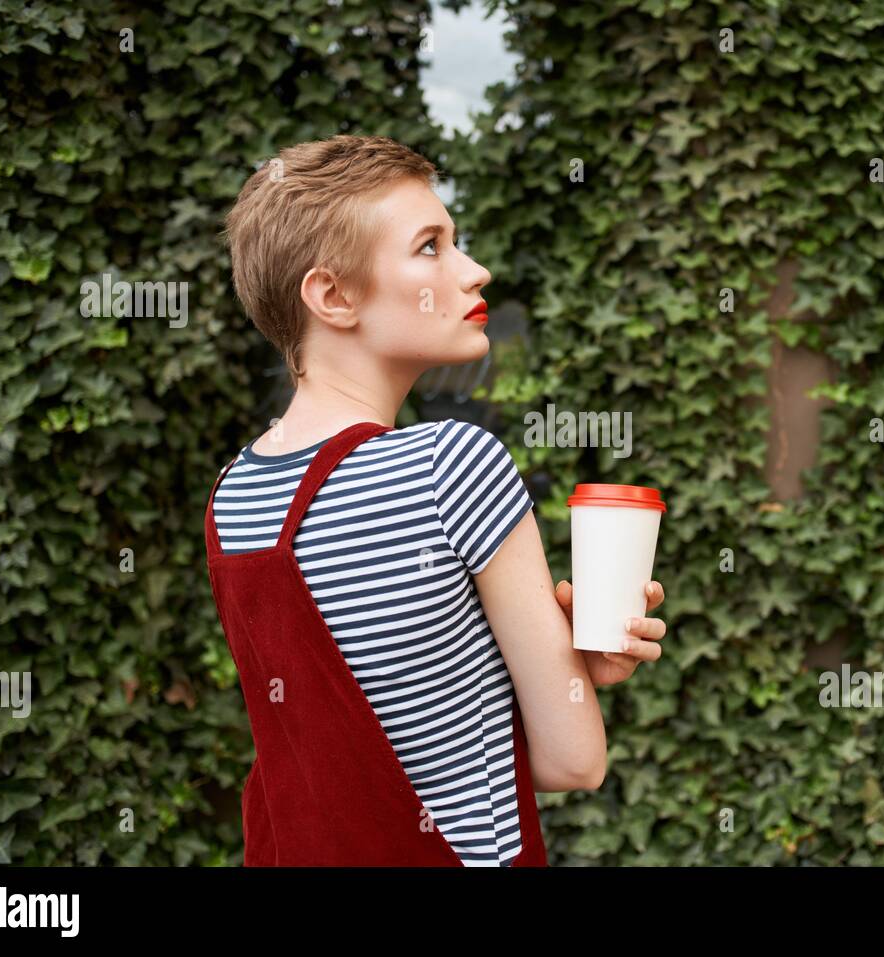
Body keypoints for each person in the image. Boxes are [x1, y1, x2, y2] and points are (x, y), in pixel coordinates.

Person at [205, 134, 667, 866]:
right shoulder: (452, 465)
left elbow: (349, 754)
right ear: (332, 294)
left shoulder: (233, 496)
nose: (473, 270)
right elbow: (571, 763)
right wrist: (574, 681)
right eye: (430, 247)